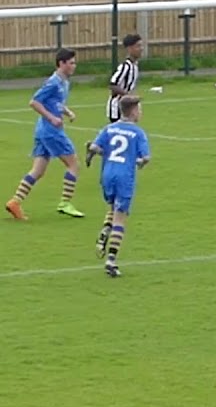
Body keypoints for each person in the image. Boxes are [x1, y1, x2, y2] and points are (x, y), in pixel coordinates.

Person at [7, 48, 85, 220]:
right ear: (62, 64)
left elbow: (55, 102)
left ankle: (15, 202)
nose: (74, 66)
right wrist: (51, 118)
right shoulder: (53, 82)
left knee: (38, 170)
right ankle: (65, 203)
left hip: (43, 131)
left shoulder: (64, 82)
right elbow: (34, 102)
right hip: (51, 132)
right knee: (74, 164)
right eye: (71, 63)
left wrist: (66, 112)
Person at [86, 96, 151, 277]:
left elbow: (95, 147)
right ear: (133, 111)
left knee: (112, 208)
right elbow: (145, 158)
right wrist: (137, 161)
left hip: (107, 174)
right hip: (124, 177)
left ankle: (105, 230)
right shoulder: (138, 133)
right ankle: (111, 261)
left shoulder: (109, 128)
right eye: (140, 109)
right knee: (121, 219)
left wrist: (93, 153)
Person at [106, 34, 143, 123]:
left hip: (128, 108)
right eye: (138, 46)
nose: (141, 49)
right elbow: (113, 85)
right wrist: (128, 95)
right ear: (129, 49)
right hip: (117, 109)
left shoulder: (135, 66)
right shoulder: (125, 66)